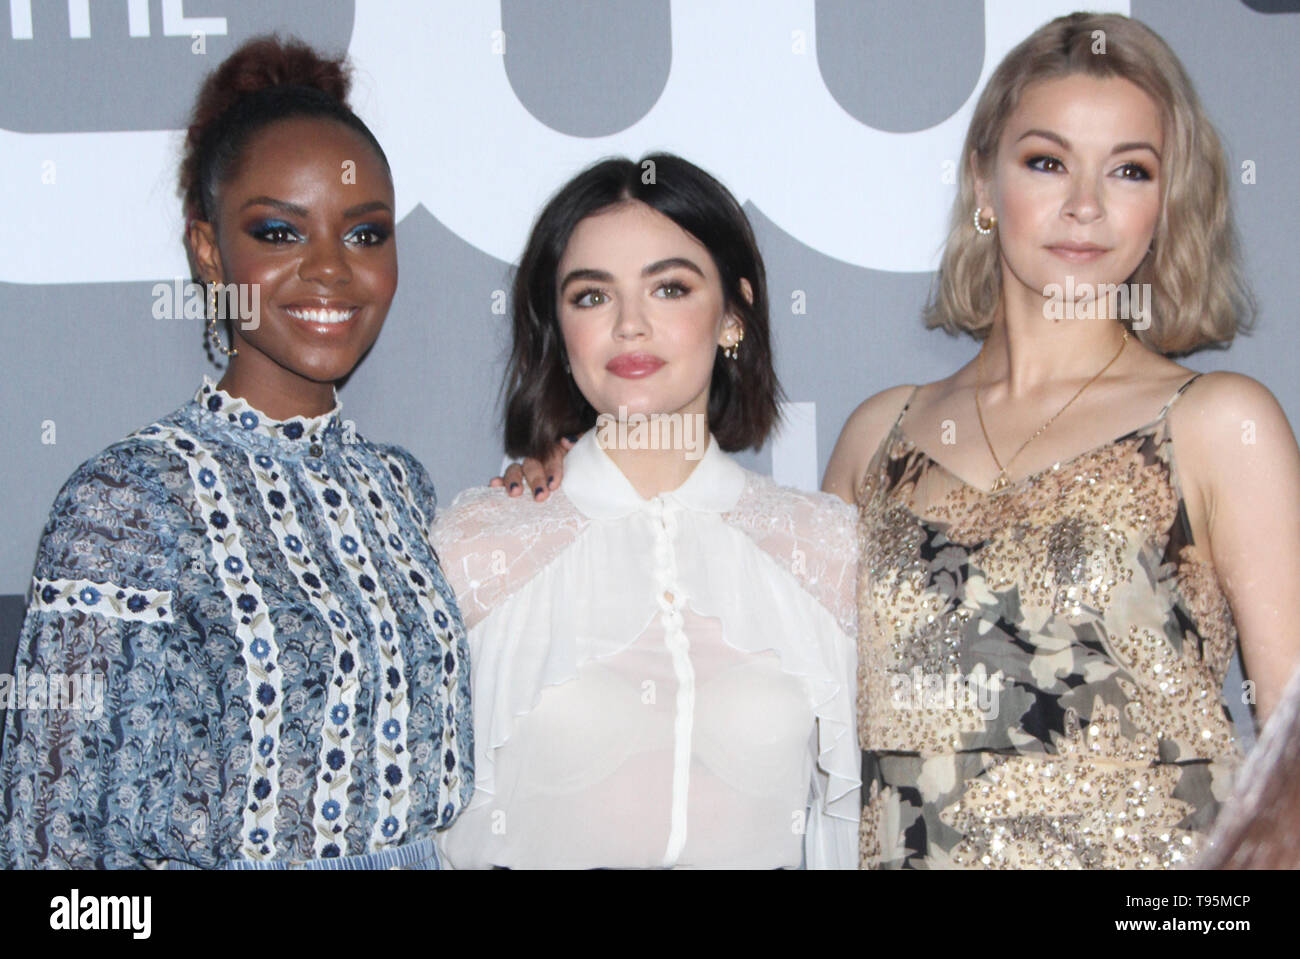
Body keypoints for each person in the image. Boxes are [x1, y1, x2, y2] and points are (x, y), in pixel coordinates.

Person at [820, 11, 1300, 868]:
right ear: (982, 183)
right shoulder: (876, 438)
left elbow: (1292, 766)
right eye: (1047, 162)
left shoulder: (1218, 423)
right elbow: (780, 699)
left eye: (1129, 170)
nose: (1085, 205)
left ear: (1166, 203)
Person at [0, 36, 472, 868]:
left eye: (365, 234)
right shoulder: (130, 499)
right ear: (210, 251)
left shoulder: (399, 485)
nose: (330, 270)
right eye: (280, 231)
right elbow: (53, 844)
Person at [434, 154, 859, 869]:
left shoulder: (826, 549)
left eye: (669, 288)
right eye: (592, 296)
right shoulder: (474, 550)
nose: (630, 325)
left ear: (733, 314)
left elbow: (852, 828)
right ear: (558, 329)